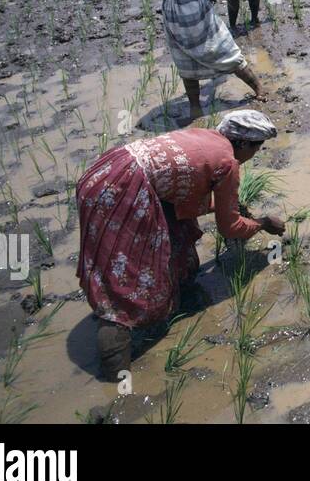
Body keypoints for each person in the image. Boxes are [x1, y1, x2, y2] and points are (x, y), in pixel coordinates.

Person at [75, 110, 286, 379]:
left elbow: (180, 188)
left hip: (107, 170)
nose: (254, 154)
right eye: (258, 147)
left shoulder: (203, 136)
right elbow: (229, 228)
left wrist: (228, 208)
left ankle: (178, 297)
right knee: (122, 286)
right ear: (244, 143)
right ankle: (115, 381)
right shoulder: (228, 162)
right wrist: (263, 223)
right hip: (122, 189)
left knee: (176, 230)